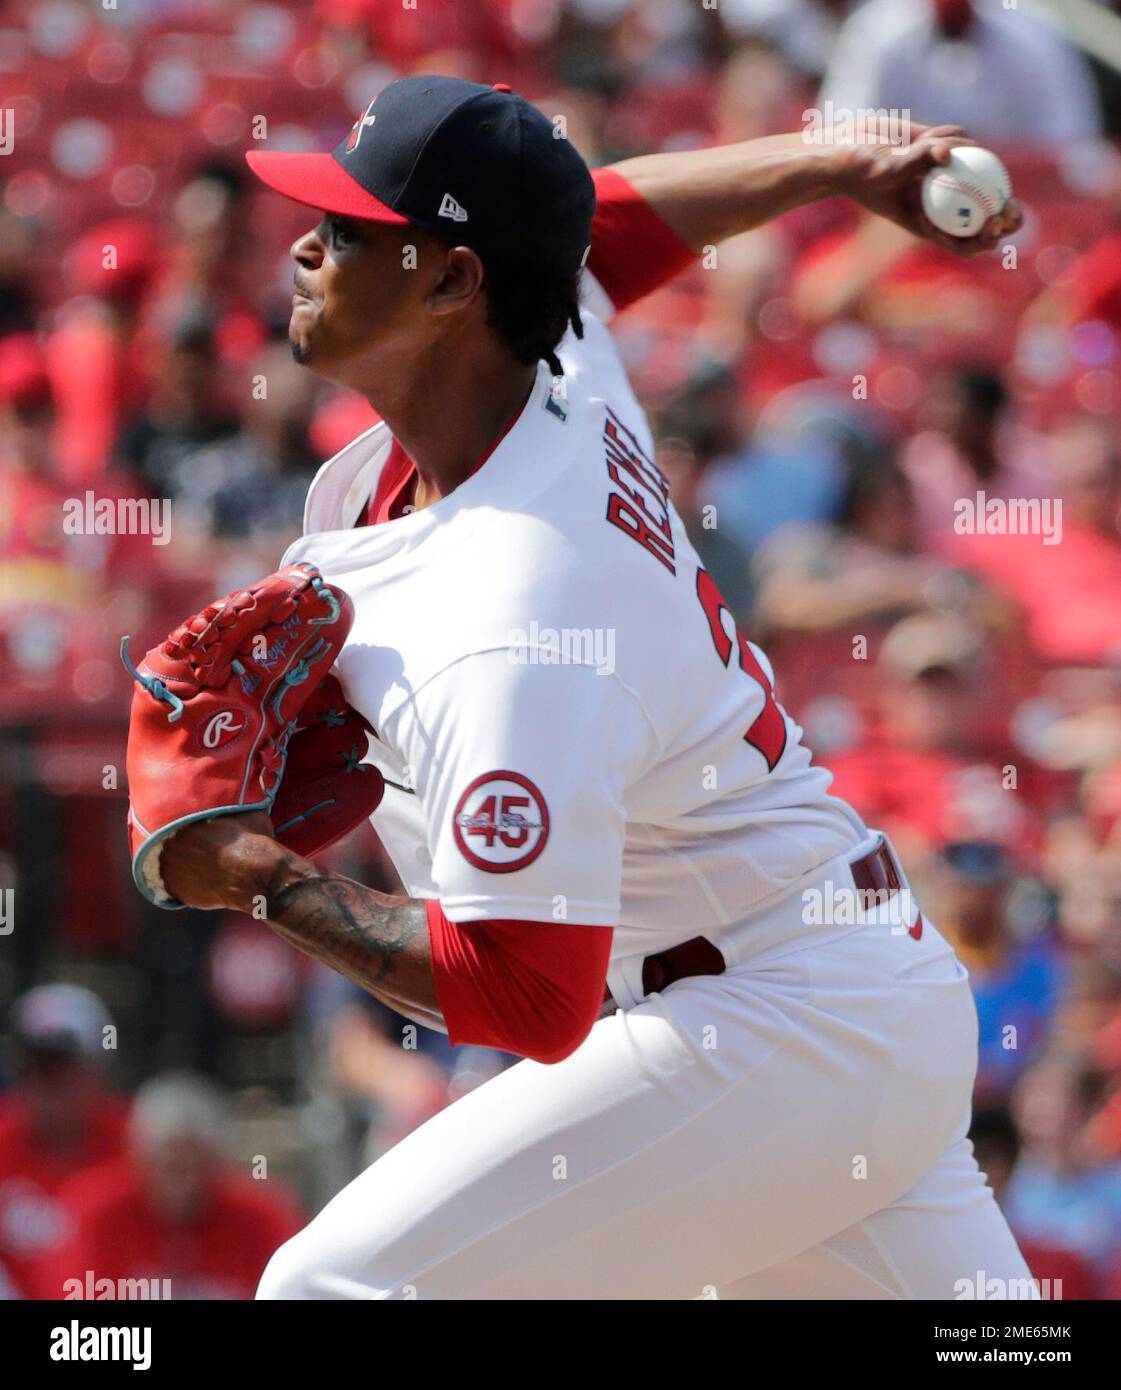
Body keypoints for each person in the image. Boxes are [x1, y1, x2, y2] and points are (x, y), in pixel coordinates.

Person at [152, 76, 1029, 1298]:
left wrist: (253, 876)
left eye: (353, 230)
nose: (305, 245)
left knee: (334, 1288)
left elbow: (524, 993)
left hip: (762, 1027)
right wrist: (830, 163)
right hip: (843, 995)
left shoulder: (517, 603)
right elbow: (600, 222)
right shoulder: (550, 355)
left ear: (455, 283)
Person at [47, 1073, 304, 1301]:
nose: (183, 1181)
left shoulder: (263, 1216)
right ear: (142, 1160)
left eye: (195, 1164)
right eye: (171, 1165)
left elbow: (296, 1289)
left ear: (217, 1162)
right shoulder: (95, 1211)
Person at [0, 985, 128, 1298]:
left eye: (61, 1068)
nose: (46, 1083)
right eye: (34, 1067)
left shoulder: (139, 1144)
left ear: (97, 1070)